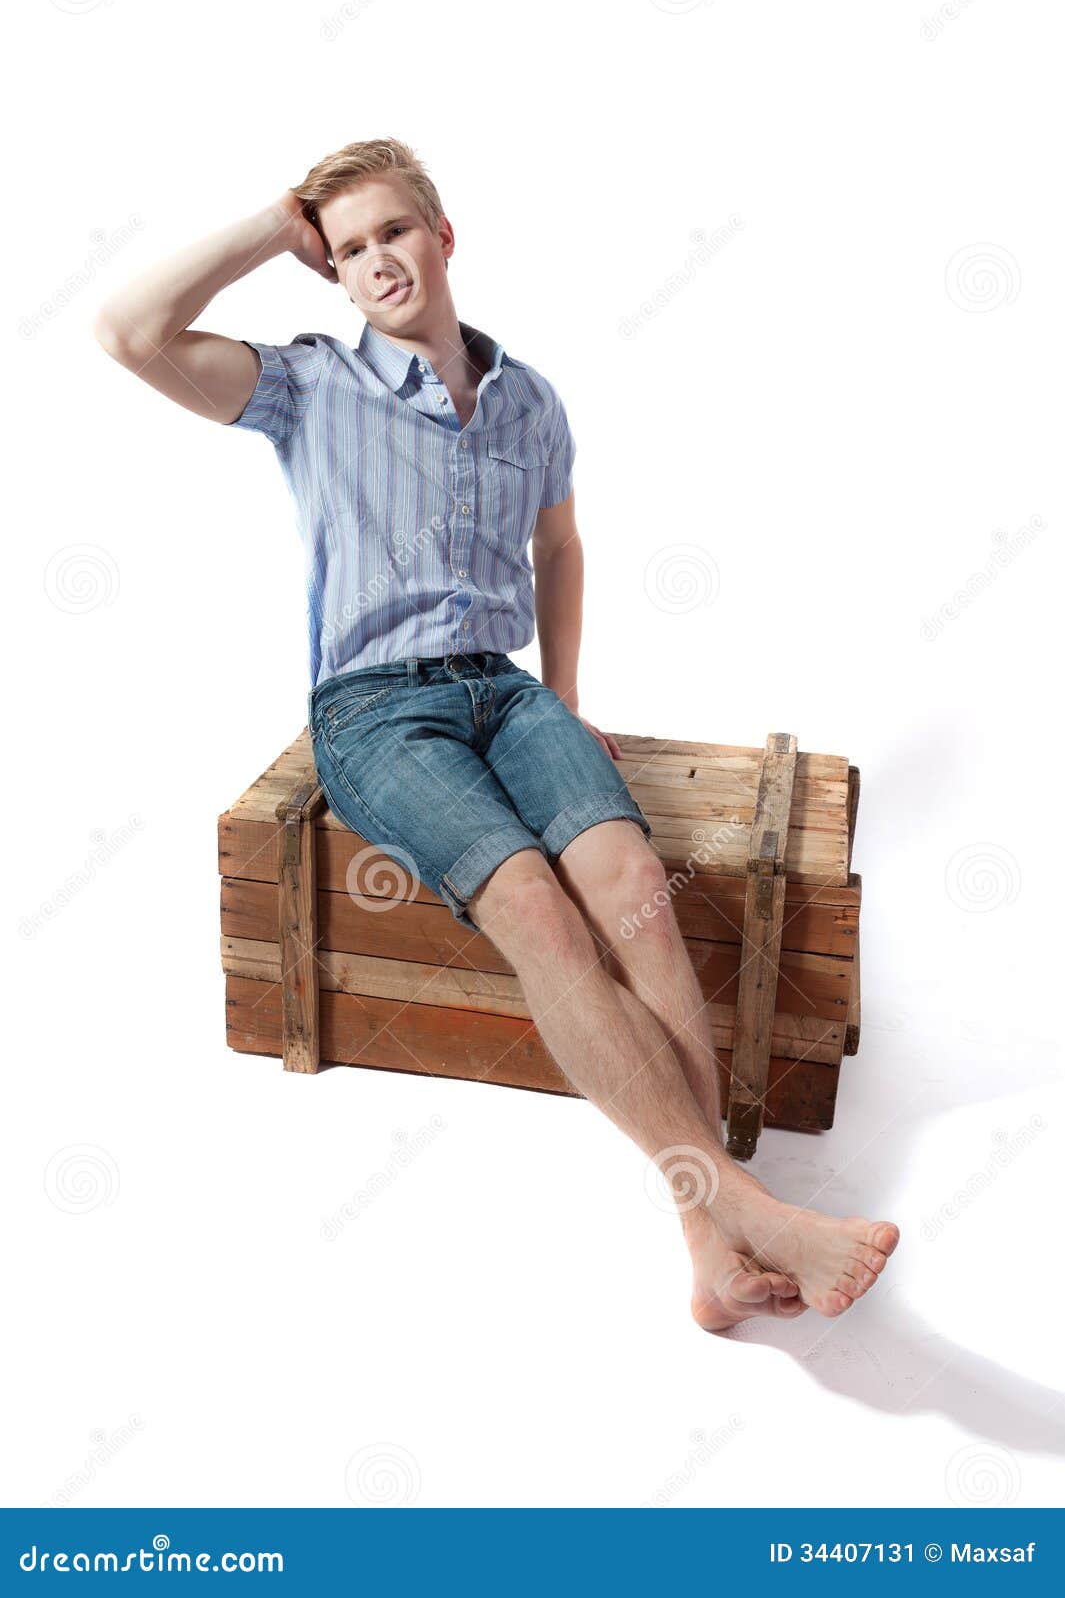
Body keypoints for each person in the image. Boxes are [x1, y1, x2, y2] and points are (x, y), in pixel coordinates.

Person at [94, 138, 899, 1330]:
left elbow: (559, 547)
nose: (377, 262)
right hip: (374, 709)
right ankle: (744, 1204)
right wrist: (279, 222)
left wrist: (564, 695)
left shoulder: (529, 398)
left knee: (634, 886)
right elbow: (125, 330)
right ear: (334, 269)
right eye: (351, 247)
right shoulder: (309, 386)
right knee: (533, 905)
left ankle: (709, 1249)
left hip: (508, 694)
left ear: (443, 235)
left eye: (394, 232)